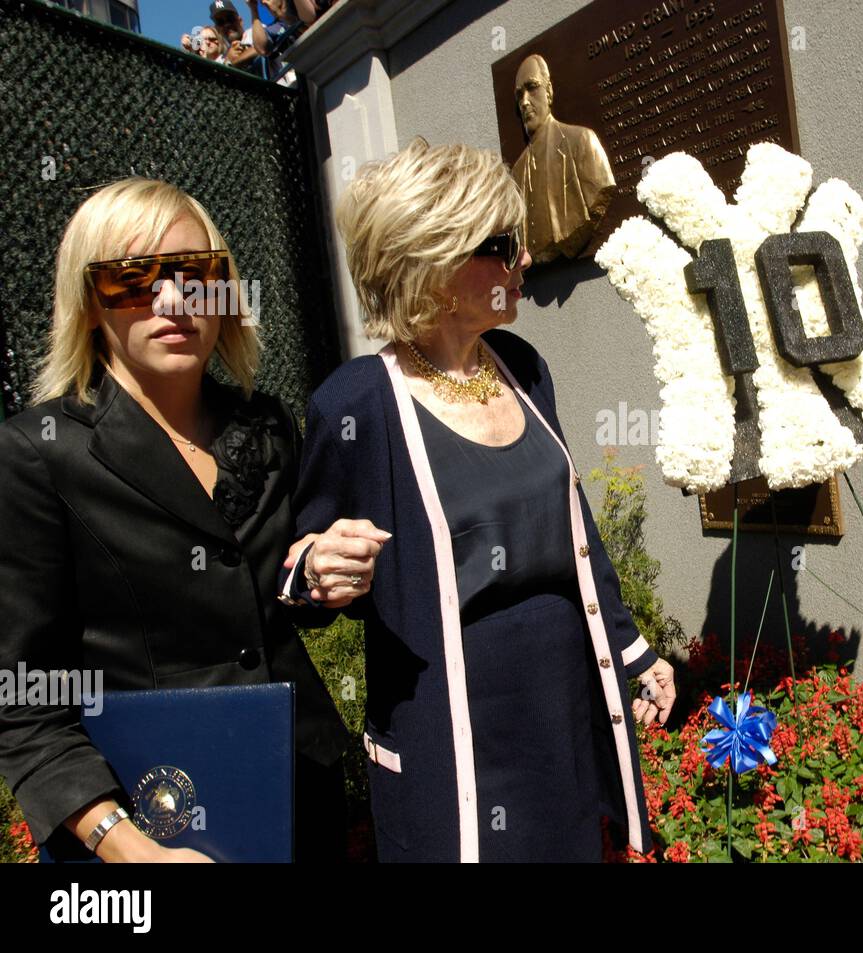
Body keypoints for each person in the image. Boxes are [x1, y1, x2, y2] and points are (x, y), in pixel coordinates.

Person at [284, 137, 676, 862]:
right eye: (503, 245)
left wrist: (631, 648)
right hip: (457, 740)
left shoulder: (523, 366)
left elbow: (573, 526)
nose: (524, 259)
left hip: (560, 717)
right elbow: (302, 566)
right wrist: (316, 571)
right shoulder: (358, 403)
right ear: (432, 264)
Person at [0, 178, 355, 862]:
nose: (172, 299)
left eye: (196, 275)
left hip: (298, 793)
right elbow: (23, 697)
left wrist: (320, 571)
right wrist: (127, 845)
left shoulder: (266, 424)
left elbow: (288, 600)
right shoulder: (36, 452)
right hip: (145, 820)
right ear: (89, 301)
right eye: (132, 279)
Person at [511, 54, 618, 263]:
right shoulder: (516, 172)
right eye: (519, 95)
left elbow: (600, 191)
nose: (524, 102)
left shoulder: (581, 141)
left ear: (549, 91)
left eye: (532, 87)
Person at [210, 0, 260, 75]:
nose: (227, 25)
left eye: (230, 18)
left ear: (240, 21)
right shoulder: (221, 60)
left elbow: (263, 46)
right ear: (218, 30)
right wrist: (227, 60)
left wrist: (232, 63)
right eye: (220, 22)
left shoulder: (255, 32)